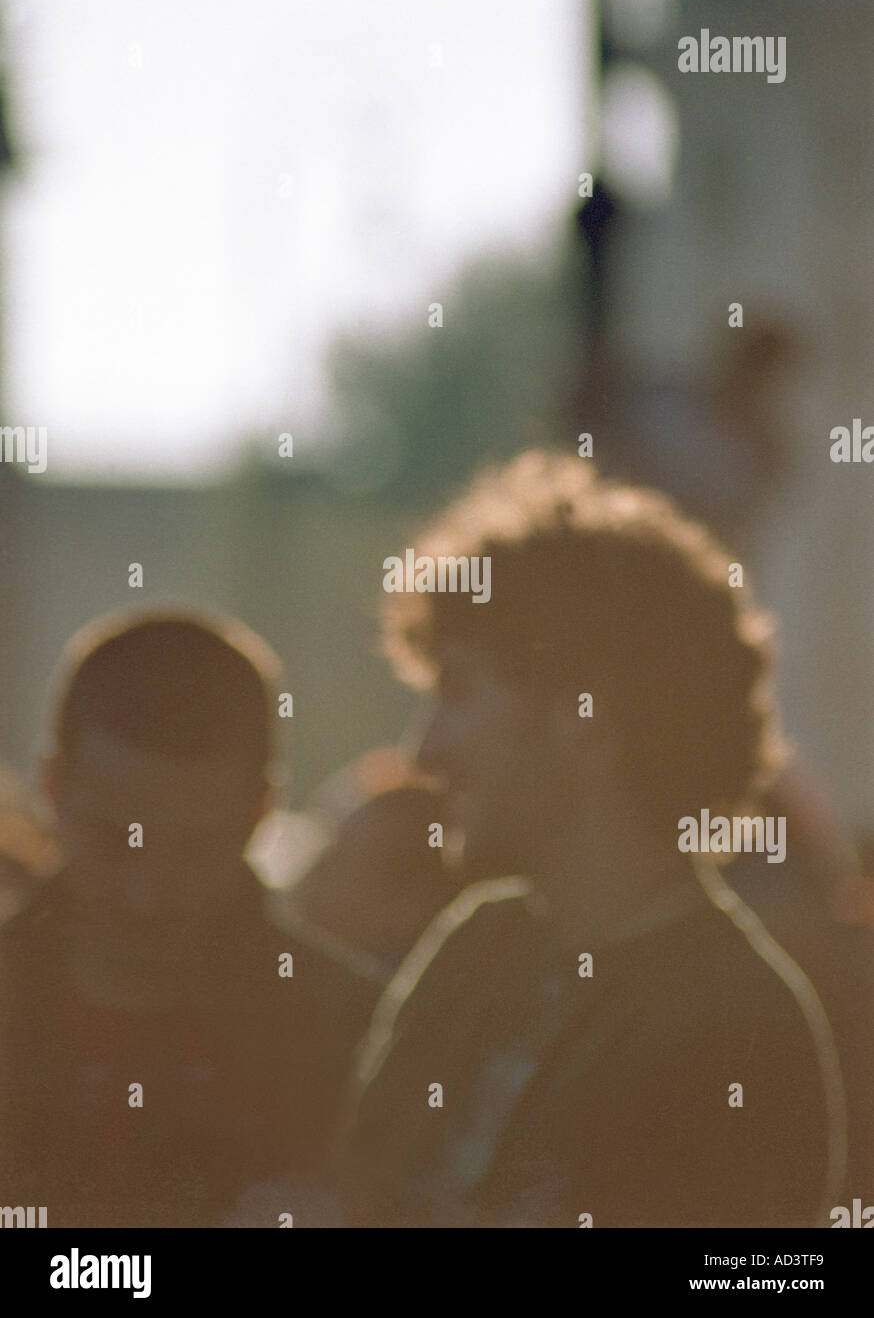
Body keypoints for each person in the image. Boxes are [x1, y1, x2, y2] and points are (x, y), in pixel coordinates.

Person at [338, 450, 847, 1228]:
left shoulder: (736, 1024)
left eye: (461, 692)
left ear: (586, 723)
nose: (422, 753)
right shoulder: (475, 950)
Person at [0, 609, 367, 1226]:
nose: (149, 892)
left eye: (195, 850)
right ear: (54, 788)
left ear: (259, 814)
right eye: (115, 840)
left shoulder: (358, 1039)